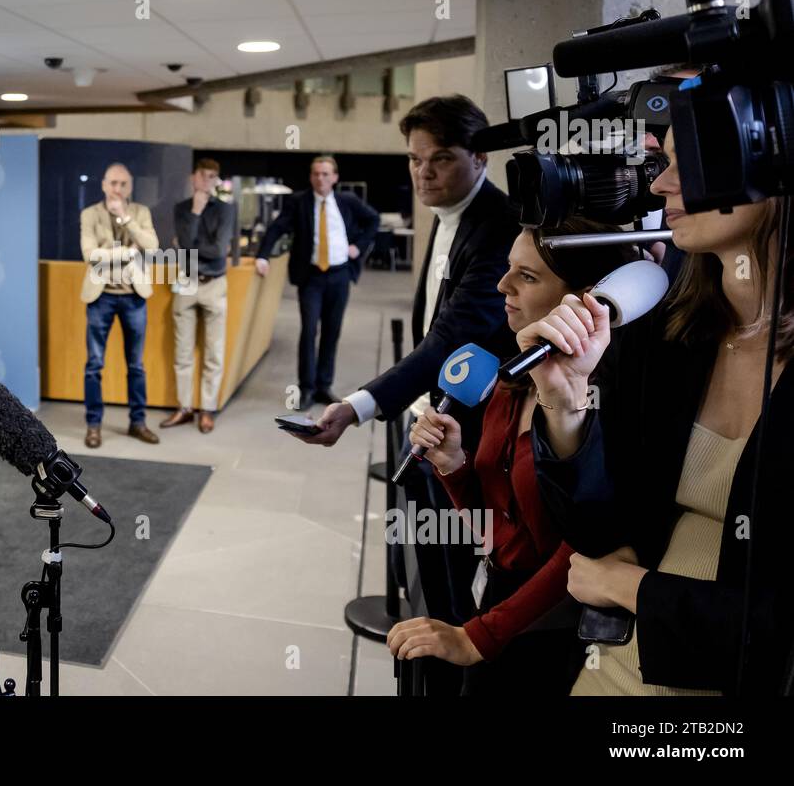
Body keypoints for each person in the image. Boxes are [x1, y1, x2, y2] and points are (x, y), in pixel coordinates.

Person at [527, 127, 794, 695]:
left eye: (690, 159)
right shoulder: (666, 336)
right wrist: (566, 400)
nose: (662, 183)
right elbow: (596, 529)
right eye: (663, 161)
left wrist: (636, 590)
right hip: (622, 667)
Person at [296, 96, 517, 680]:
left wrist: (356, 406)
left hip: (463, 446)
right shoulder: (450, 217)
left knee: (454, 598)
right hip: (423, 427)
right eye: (416, 159)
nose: (424, 172)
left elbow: (449, 341)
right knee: (425, 576)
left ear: (480, 156)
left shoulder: (497, 225)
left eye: (439, 159)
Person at [387, 218, 640, 694]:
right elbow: (498, 527)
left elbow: (586, 548)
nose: (503, 285)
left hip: (555, 630)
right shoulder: (509, 375)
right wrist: (454, 465)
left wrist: (481, 637)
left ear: (584, 301)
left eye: (527, 276)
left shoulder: (604, 402)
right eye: (508, 269)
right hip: (496, 600)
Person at [254, 155, 379, 405]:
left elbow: (373, 220)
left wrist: (359, 247)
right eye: (316, 173)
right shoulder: (298, 202)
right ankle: (307, 388)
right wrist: (263, 256)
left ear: (334, 177)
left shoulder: (347, 201)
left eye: (325, 174)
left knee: (332, 332)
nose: (320, 178)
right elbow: (277, 228)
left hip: (339, 275)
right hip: (310, 277)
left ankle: (324, 386)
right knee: (309, 331)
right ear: (311, 176)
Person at [80, 162, 160, 448]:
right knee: (94, 365)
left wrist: (125, 218)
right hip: (100, 297)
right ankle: (93, 426)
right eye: (112, 183)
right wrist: (128, 252)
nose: (117, 189)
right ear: (103, 184)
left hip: (134, 297)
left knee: (136, 365)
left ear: (130, 186)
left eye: (123, 184)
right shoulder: (90, 214)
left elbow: (151, 247)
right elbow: (90, 255)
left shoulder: (140, 213)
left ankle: (138, 423)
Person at [162, 158, 236, 434]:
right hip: (187, 282)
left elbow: (217, 251)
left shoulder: (226, 210)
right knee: (183, 352)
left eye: (214, 177)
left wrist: (188, 245)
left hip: (215, 283)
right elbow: (184, 246)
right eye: (204, 176)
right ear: (194, 177)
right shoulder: (182, 209)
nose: (209, 181)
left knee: (213, 353)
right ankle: (184, 408)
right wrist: (195, 212)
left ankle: (207, 409)